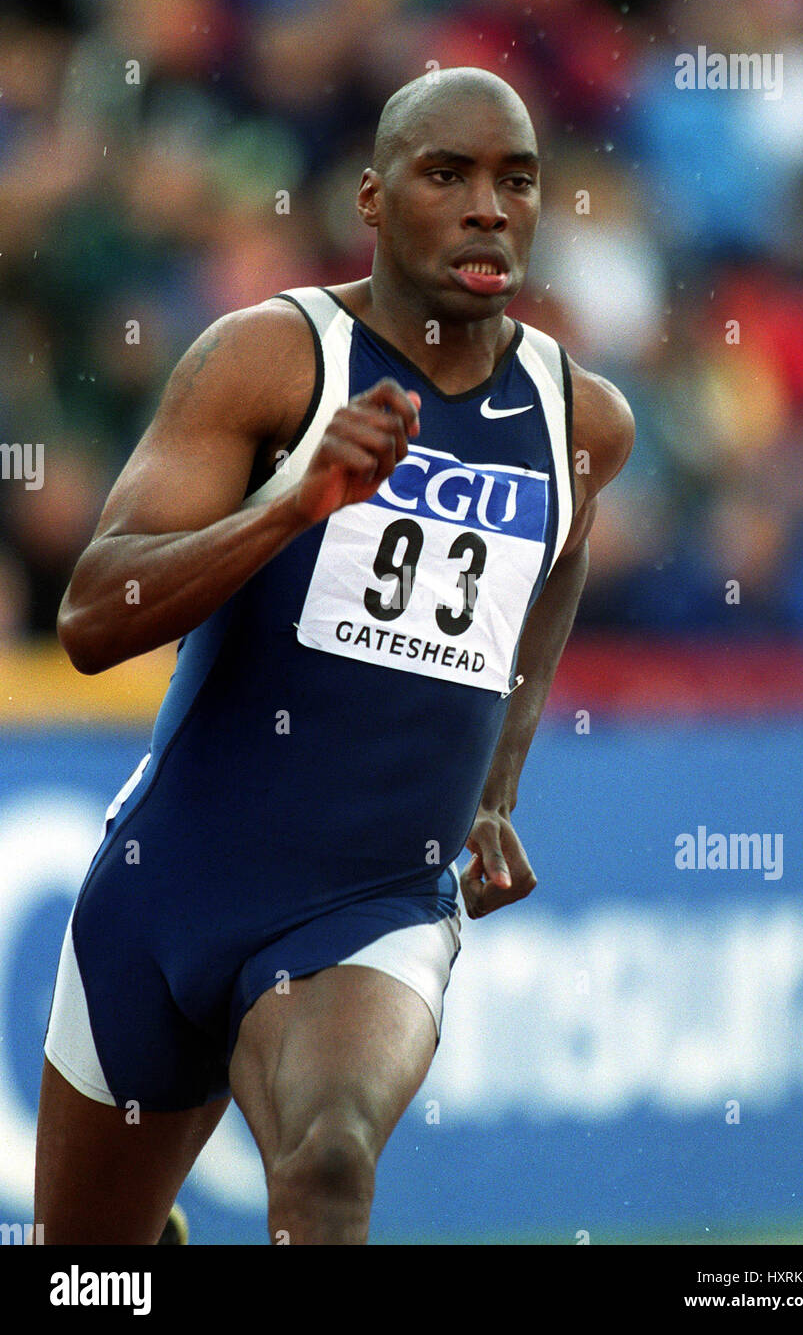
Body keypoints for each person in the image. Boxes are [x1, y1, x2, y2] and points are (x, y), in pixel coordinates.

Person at [36, 67, 634, 1244]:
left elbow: (554, 562)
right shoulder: (271, 358)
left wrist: (497, 784)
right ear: (370, 197)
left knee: (327, 1160)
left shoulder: (581, 421)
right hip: (168, 891)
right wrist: (293, 505)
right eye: (445, 174)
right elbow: (94, 618)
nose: (487, 208)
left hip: (373, 904)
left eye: (515, 180)